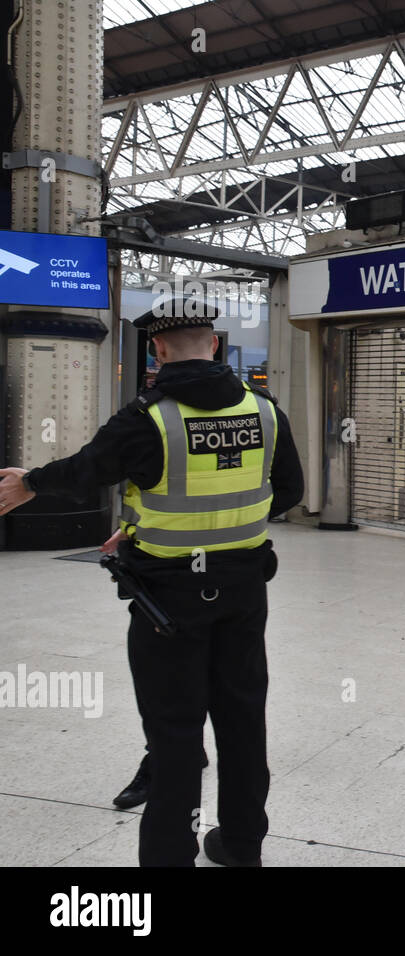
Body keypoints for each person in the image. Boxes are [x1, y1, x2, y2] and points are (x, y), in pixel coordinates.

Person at [0, 310, 304, 866]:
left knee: (175, 733)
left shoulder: (148, 418)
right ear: (213, 346)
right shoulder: (266, 412)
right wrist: (217, 528)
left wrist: (28, 484)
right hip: (242, 592)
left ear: (156, 354)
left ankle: (169, 857)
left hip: (168, 603)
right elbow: (287, 491)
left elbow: (88, 468)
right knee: (242, 723)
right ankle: (240, 846)